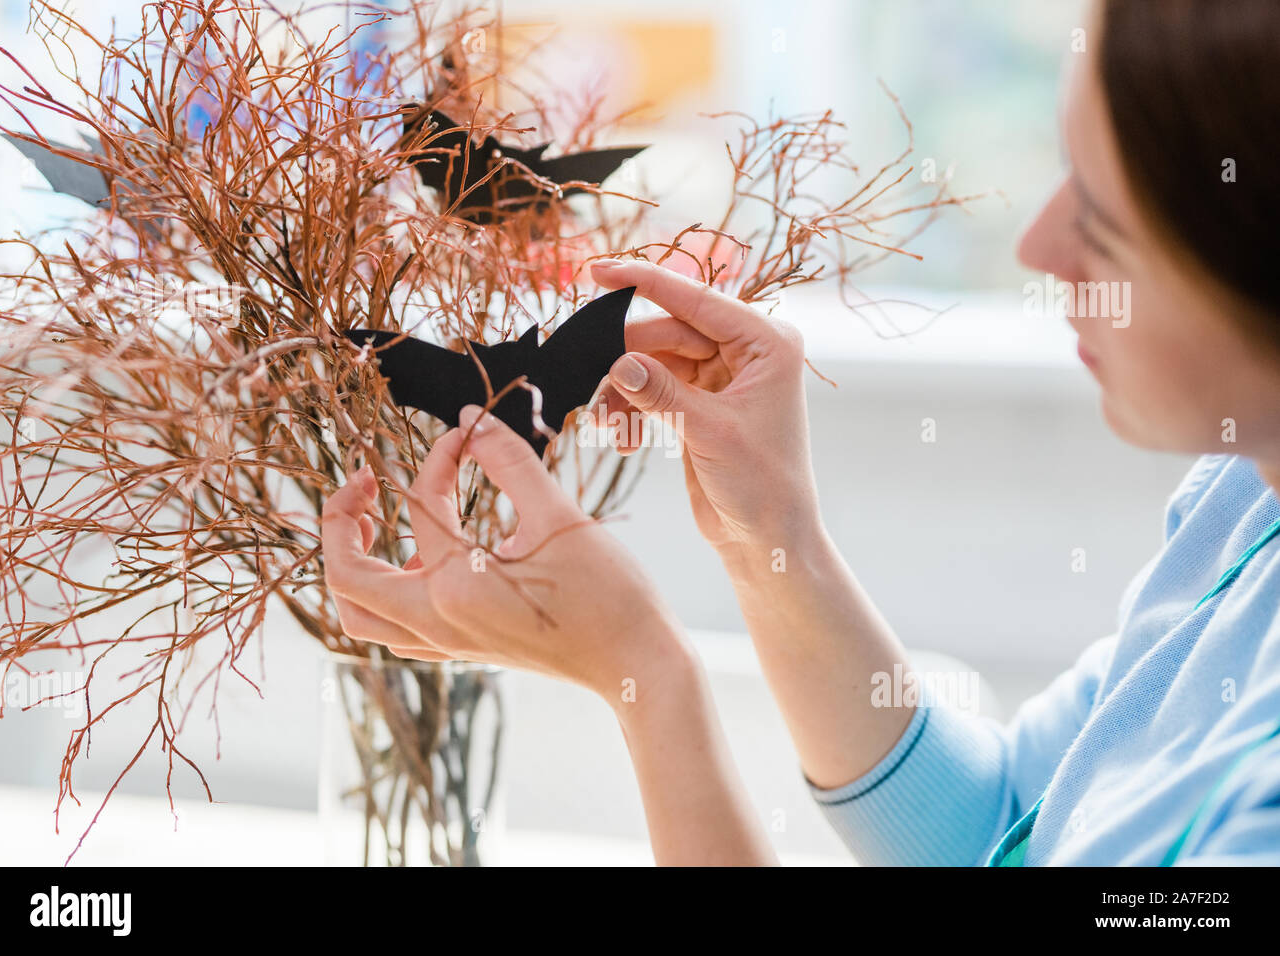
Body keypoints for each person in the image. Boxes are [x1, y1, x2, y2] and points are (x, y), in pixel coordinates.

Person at [320, 0, 1280, 866]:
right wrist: (773, 539)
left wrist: (644, 675)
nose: (1037, 248)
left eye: (1108, 225)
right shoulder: (1240, 507)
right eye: (1067, 167)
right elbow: (1004, 829)